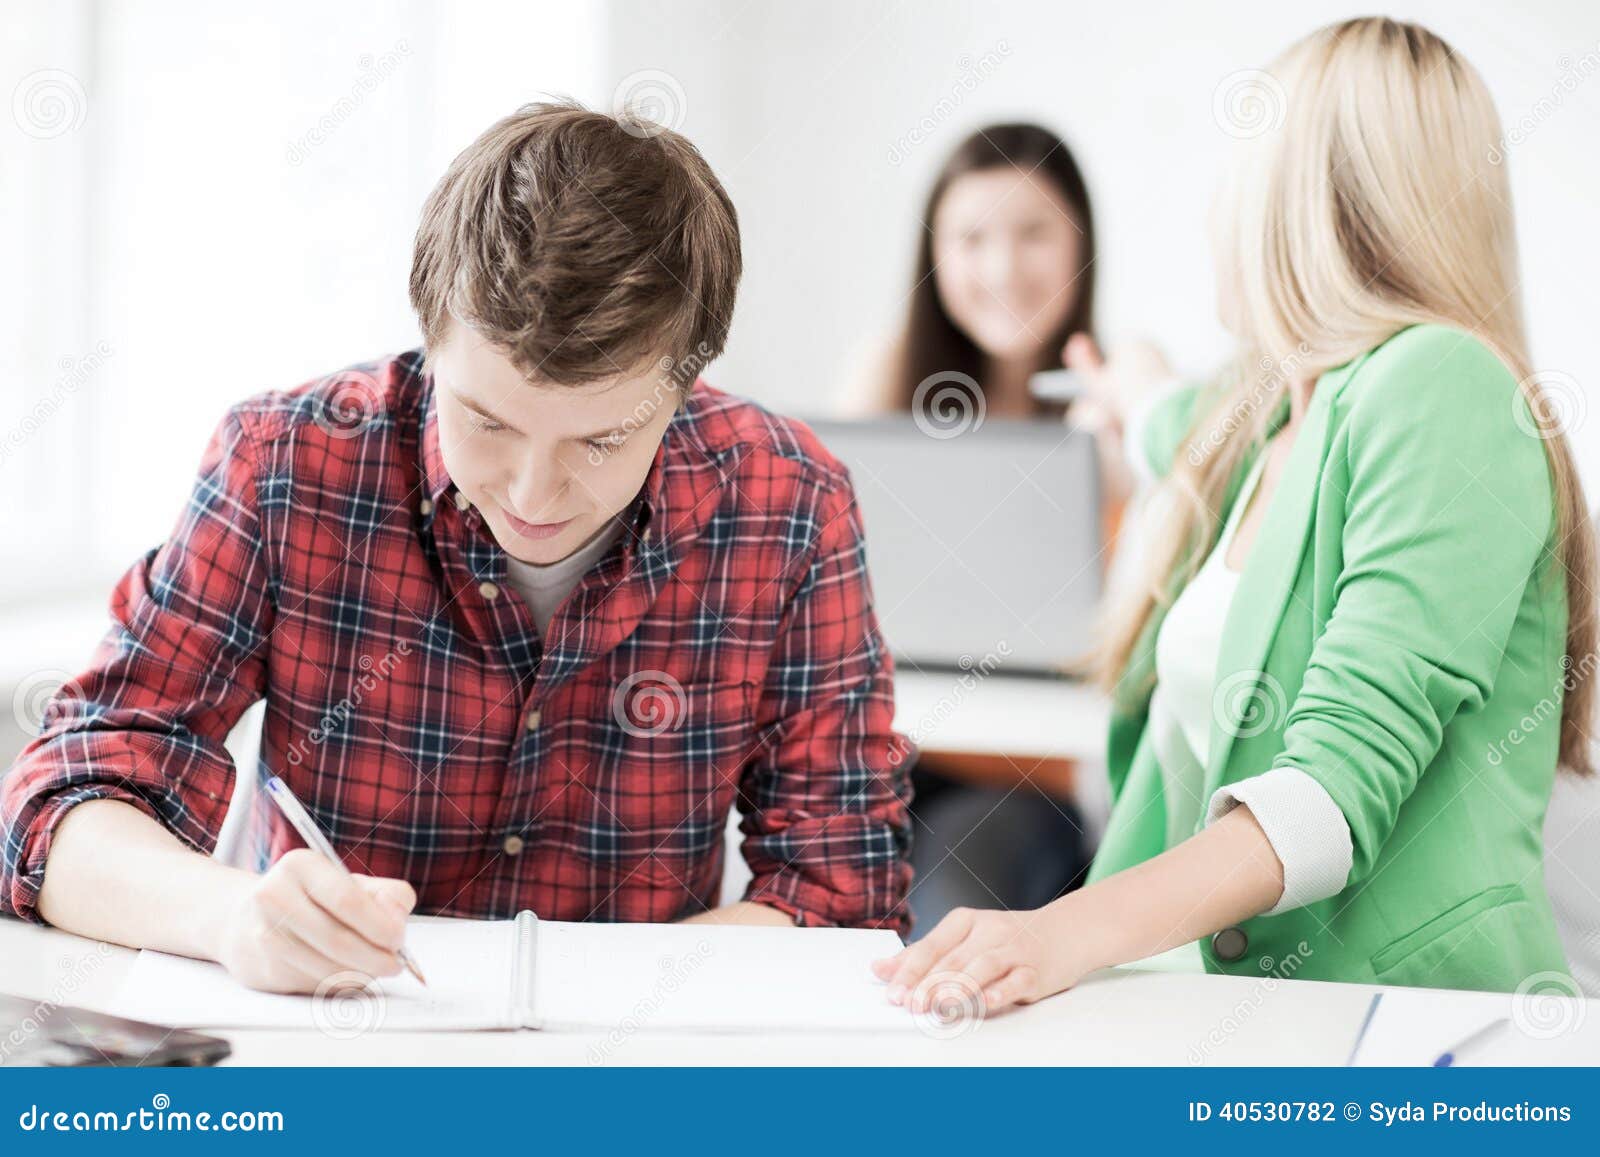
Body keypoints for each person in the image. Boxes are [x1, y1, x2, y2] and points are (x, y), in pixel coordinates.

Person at [0, 102, 914, 995]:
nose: (529, 494)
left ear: (689, 380)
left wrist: (602, 1009)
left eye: (599, 441)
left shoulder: (790, 502)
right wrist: (229, 918)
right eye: (484, 419)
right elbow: (59, 805)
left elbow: (841, 889)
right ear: (429, 336)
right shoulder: (287, 462)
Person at [876, 16, 1594, 1006]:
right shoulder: (1271, 418)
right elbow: (1165, 417)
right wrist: (1126, 395)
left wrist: (1060, 932)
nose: (1214, 207)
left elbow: (1330, 792)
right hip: (1209, 1003)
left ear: (1303, 198)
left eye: (1240, 167)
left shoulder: (1440, 386)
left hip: (1386, 1021)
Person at [840, 124, 1105, 935]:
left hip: (1029, 784)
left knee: (953, 901)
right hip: (886, 759)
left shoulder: (1117, 402)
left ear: (1080, 245)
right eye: (971, 239)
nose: (1002, 268)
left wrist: (1126, 443)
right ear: (936, 256)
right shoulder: (885, 378)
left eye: (1033, 234)